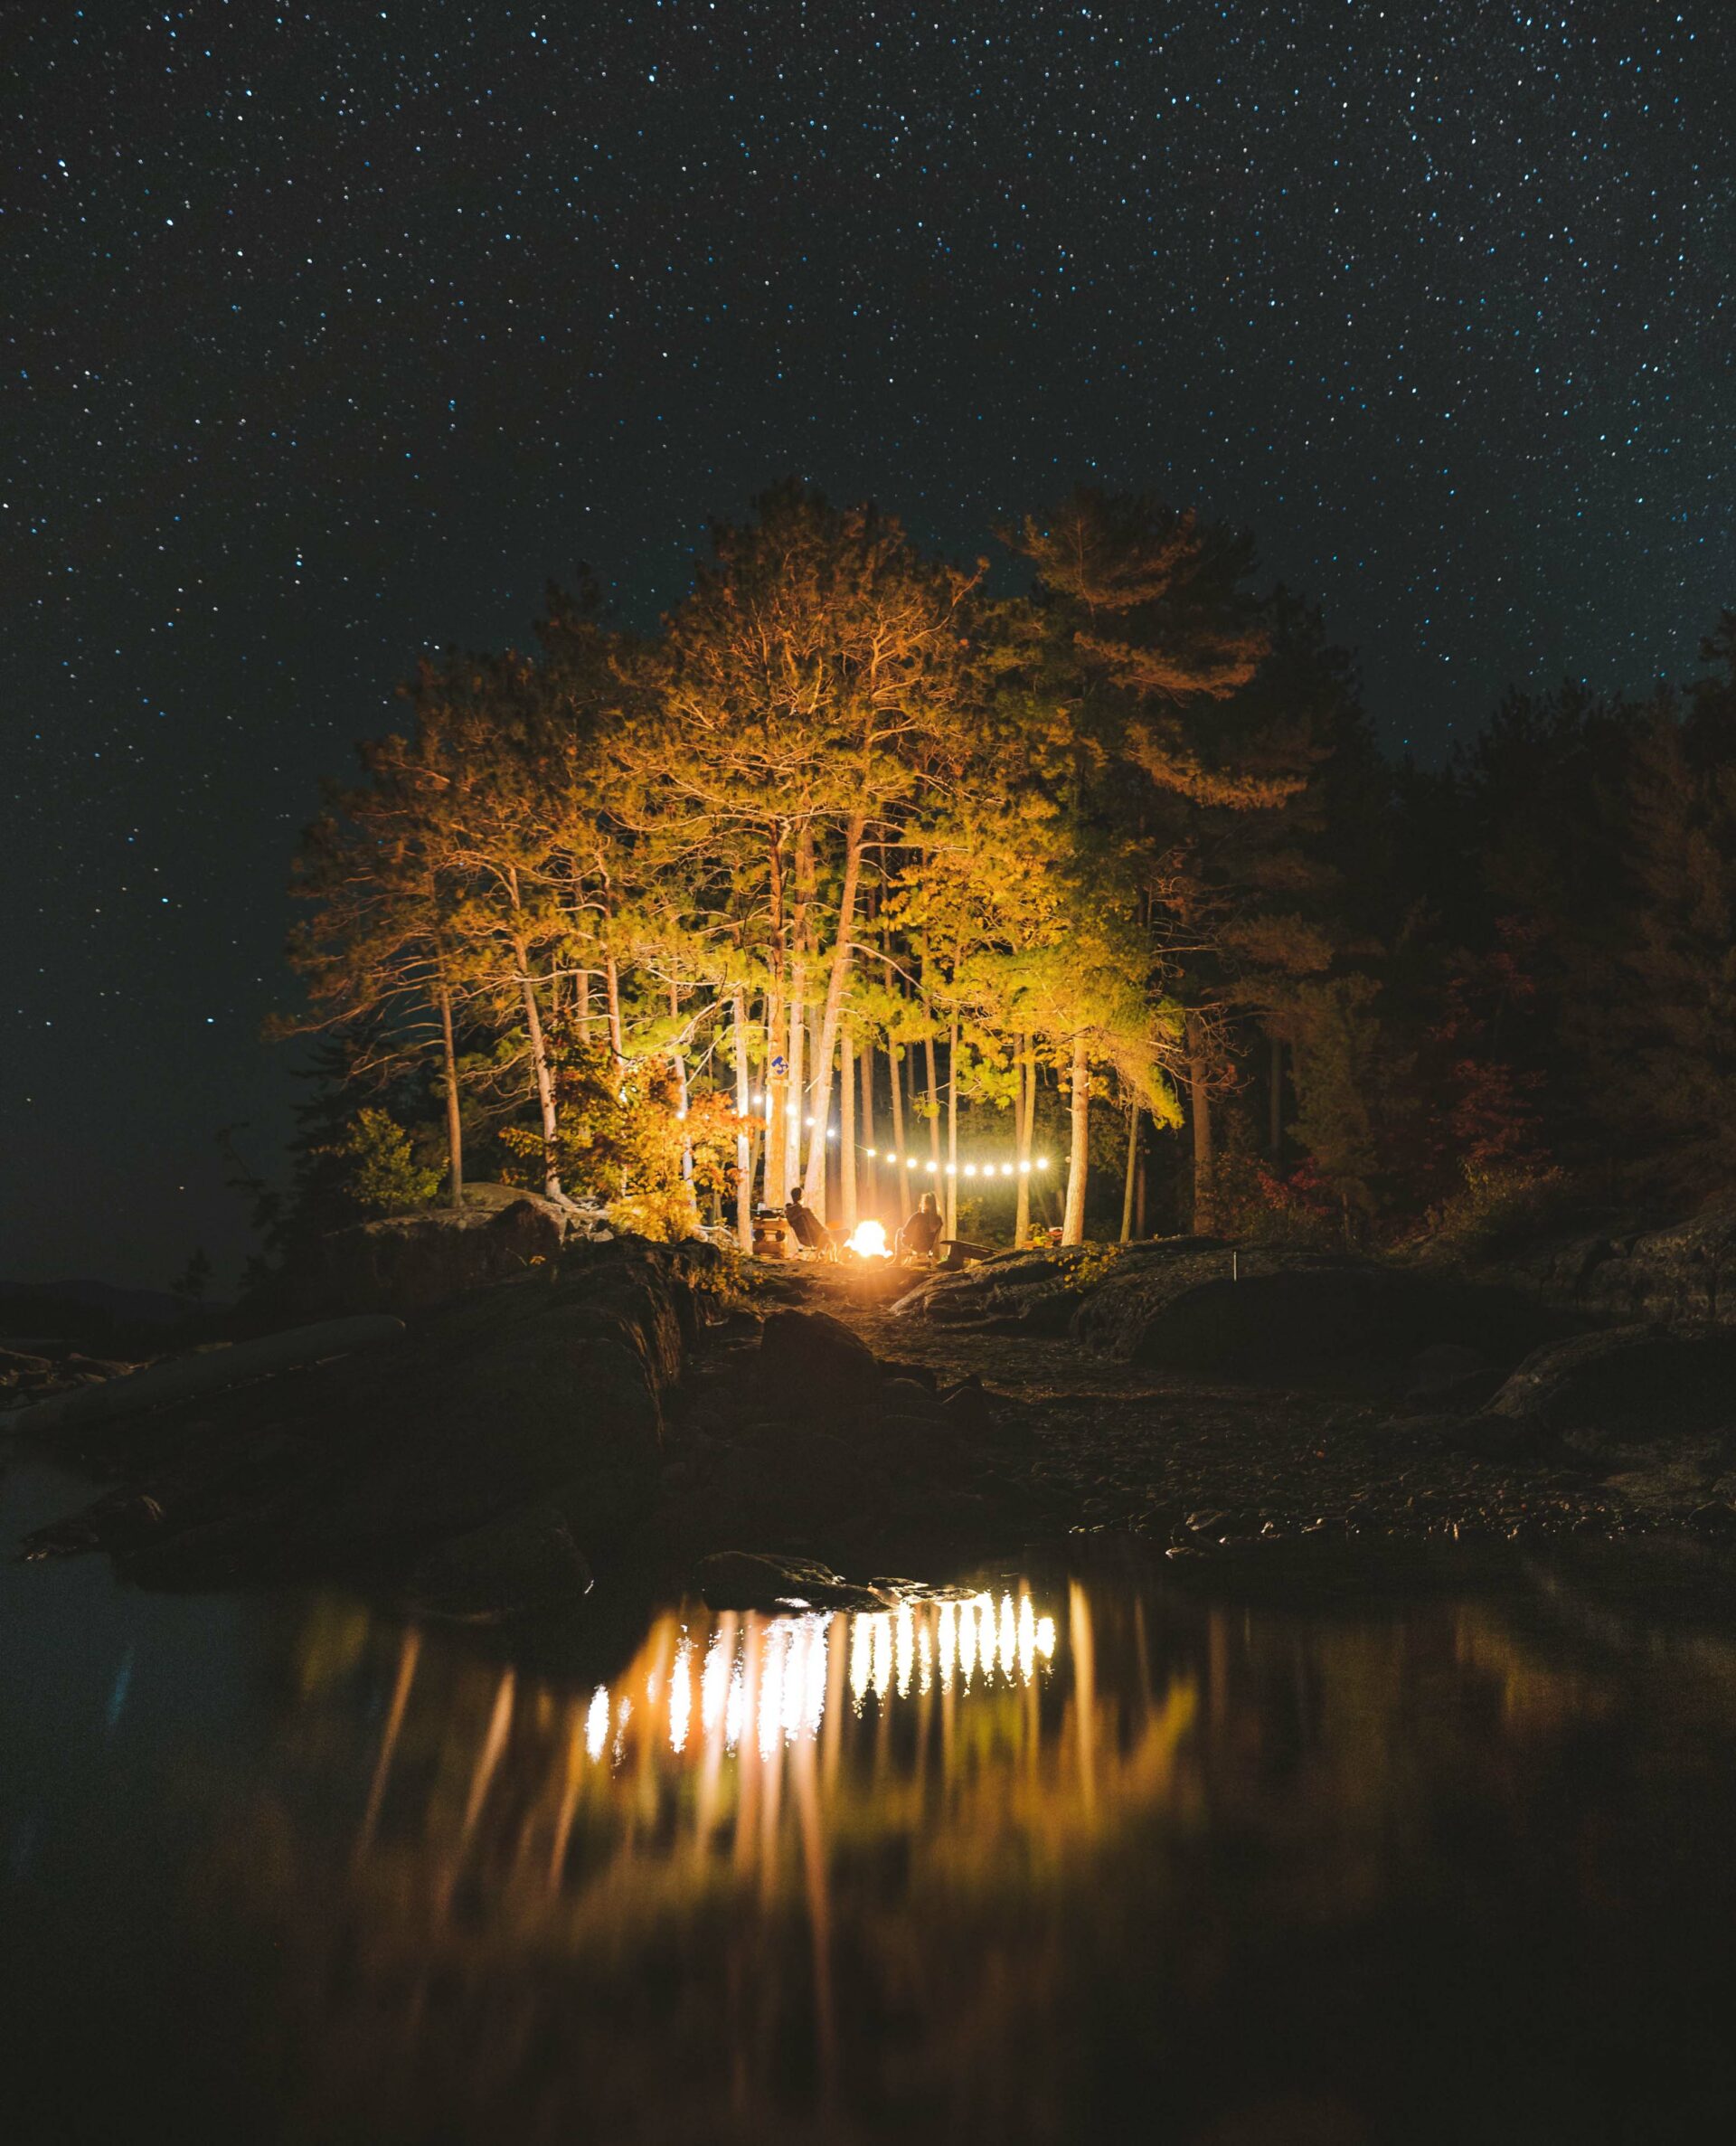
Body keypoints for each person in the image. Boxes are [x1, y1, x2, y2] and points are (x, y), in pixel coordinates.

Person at [783, 1192, 838, 1261]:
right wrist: (827, 1231)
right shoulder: (805, 1211)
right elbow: (818, 1226)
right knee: (837, 1234)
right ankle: (828, 1255)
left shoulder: (789, 1212)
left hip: (802, 1239)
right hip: (815, 1239)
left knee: (828, 1234)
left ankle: (824, 1254)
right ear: (802, 1198)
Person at [896, 1190, 944, 1263]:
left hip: (914, 1248)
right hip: (927, 1251)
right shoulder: (939, 1220)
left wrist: (909, 1243)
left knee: (899, 1231)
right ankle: (925, 1256)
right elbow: (935, 1241)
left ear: (924, 1203)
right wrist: (930, 1255)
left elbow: (905, 1231)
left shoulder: (918, 1216)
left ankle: (897, 1259)